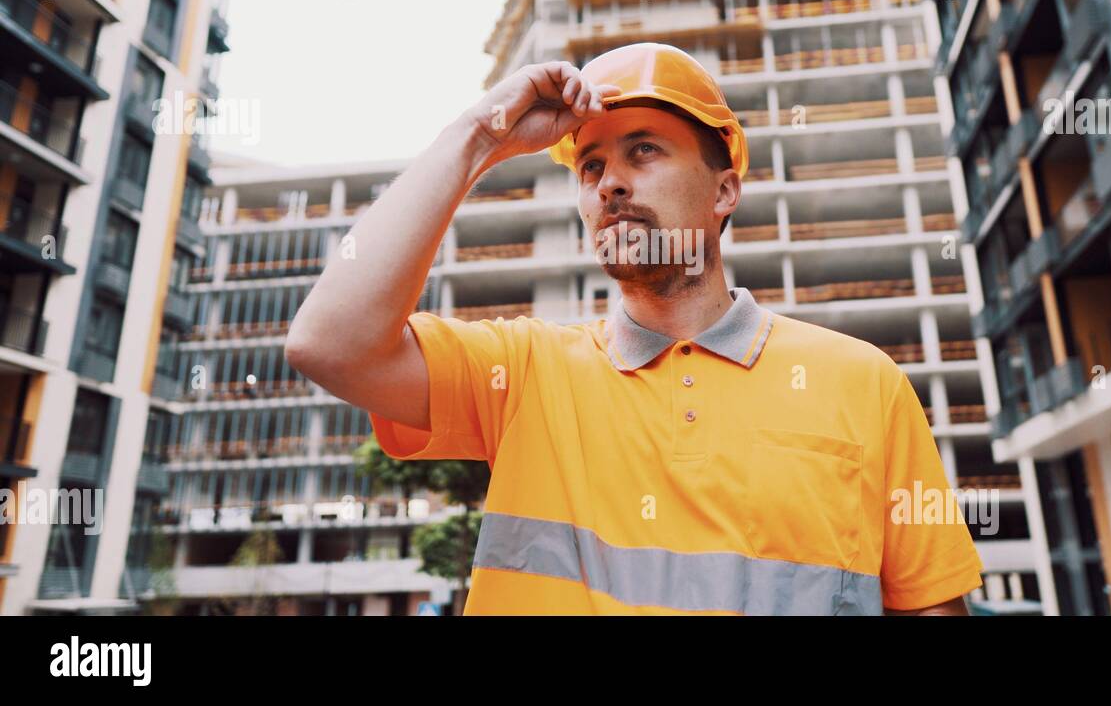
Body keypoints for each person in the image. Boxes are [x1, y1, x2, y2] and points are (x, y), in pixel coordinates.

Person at [286, 42, 984, 615]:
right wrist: (478, 136)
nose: (609, 183)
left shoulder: (864, 385)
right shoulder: (525, 373)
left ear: (724, 190)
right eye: (592, 167)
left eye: (643, 151)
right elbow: (330, 344)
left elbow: (930, 607)